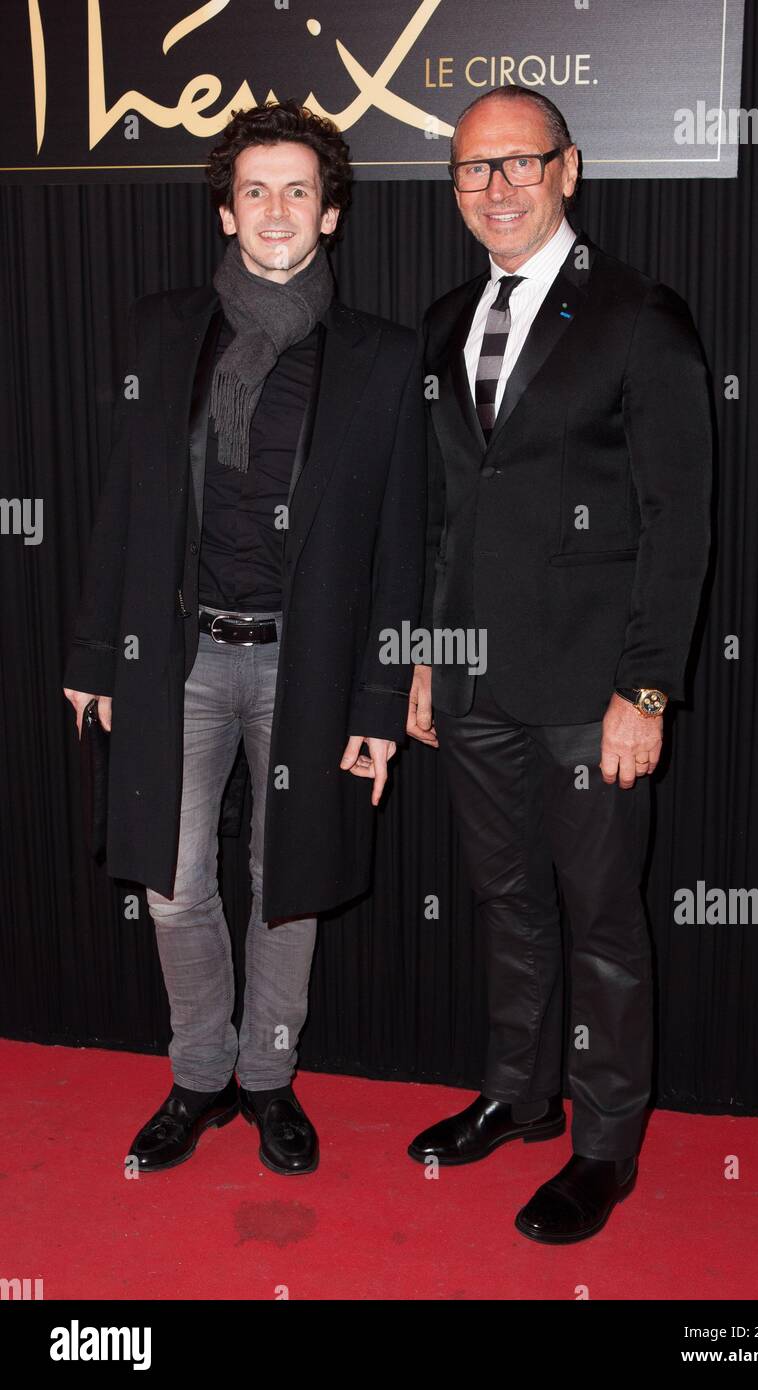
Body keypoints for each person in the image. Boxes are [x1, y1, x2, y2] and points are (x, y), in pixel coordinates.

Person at [63, 99, 425, 1177]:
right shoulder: (161, 328)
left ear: (331, 213)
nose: (277, 209)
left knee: (289, 881)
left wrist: (377, 708)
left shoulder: (380, 357)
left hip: (304, 668)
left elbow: (399, 547)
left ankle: (267, 1078)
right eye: (256, 189)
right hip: (177, 659)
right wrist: (92, 657)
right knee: (172, 881)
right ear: (225, 210)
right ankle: (197, 1072)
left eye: (298, 190)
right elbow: (122, 504)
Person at [406, 85, 712, 1243]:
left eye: (518, 163)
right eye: (473, 170)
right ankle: (516, 1094)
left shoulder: (639, 315)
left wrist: (643, 689)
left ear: (567, 168)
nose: (495, 188)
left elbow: (678, 520)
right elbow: (441, 515)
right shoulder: (443, 321)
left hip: (593, 694)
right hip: (475, 680)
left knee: (598, 920)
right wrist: (428, 663)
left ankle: (602, 1145)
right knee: (504, 902)